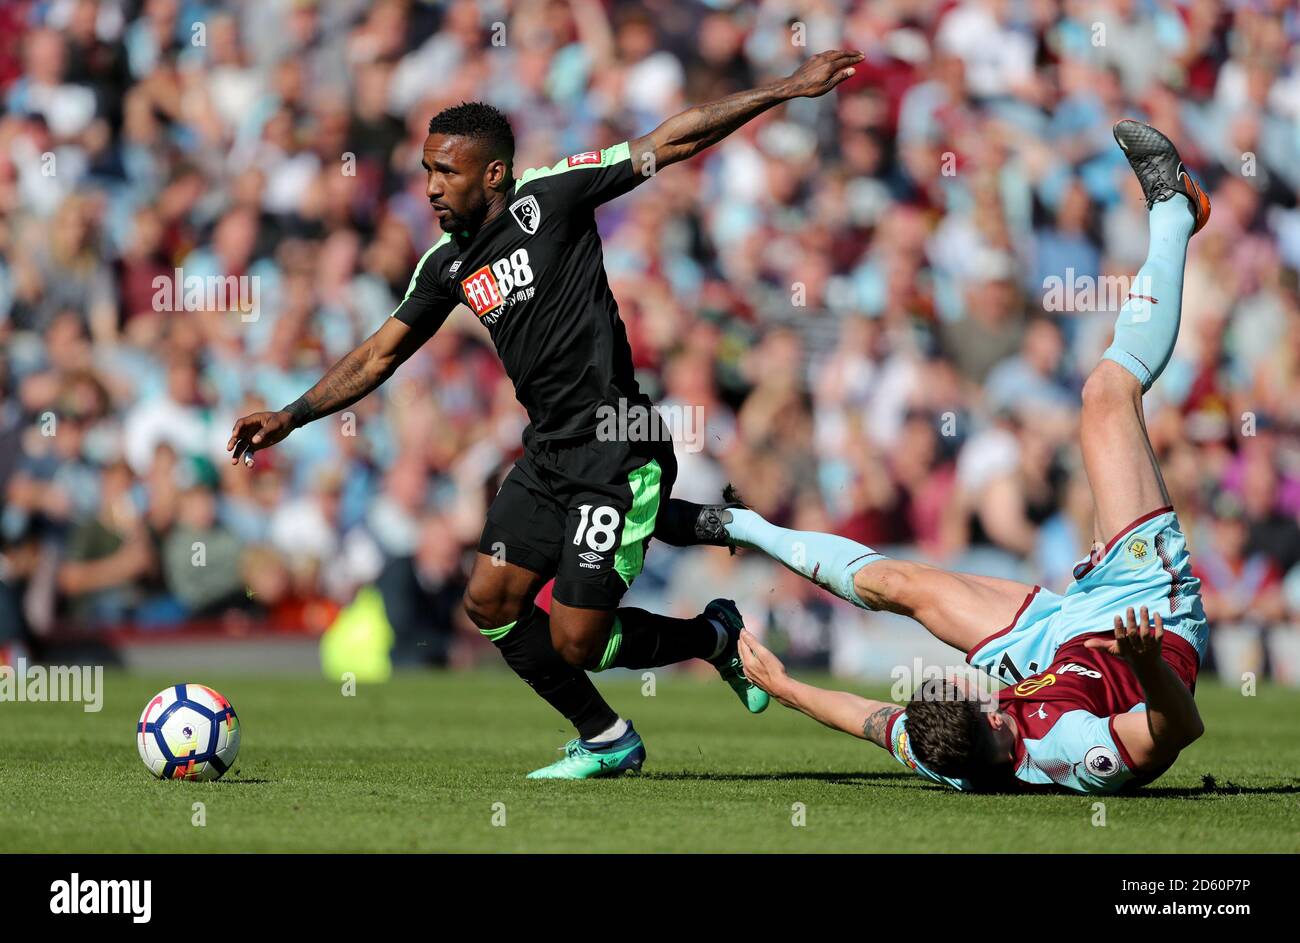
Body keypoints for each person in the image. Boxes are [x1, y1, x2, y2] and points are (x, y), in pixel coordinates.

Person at [226, 50, 867, 778]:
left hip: (618, 451)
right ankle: (606, 736)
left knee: (576, 639)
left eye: (446, 172)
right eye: (428, 170)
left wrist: (788, 87)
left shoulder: (553, 196)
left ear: (492, 173)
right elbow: (378, 356)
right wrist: (291, 414)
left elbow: (674, 140)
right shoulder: (446, 265)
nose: (431, 187)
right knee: (491, 599)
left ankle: (715, 636)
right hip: (547, 455)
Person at [686, 121, 1212, 794]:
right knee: (1106, 394)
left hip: (1057, 646)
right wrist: (1146, 666)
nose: (975, 679)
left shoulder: (950, 749)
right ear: (989, 714)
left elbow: (870, 719)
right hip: (1147, 621)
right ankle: (1174, 213)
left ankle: (742, 526)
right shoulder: (1071, 750)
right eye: (976, 691)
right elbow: (1176, 731)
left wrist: (786, 687)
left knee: (899, 587)